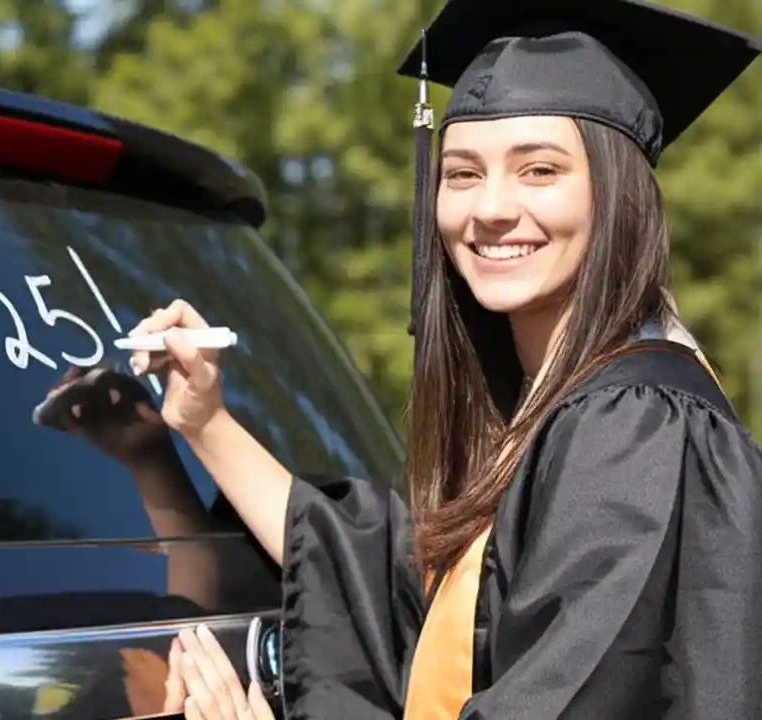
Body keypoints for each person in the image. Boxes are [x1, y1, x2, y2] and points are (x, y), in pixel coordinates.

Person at [124, 0, 762, 717]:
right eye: (461, 174)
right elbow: (415, 606)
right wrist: (202, 422)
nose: (489, 208)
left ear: (618, 196)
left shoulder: (633, 424)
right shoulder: (547, 412)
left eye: (540, 170)